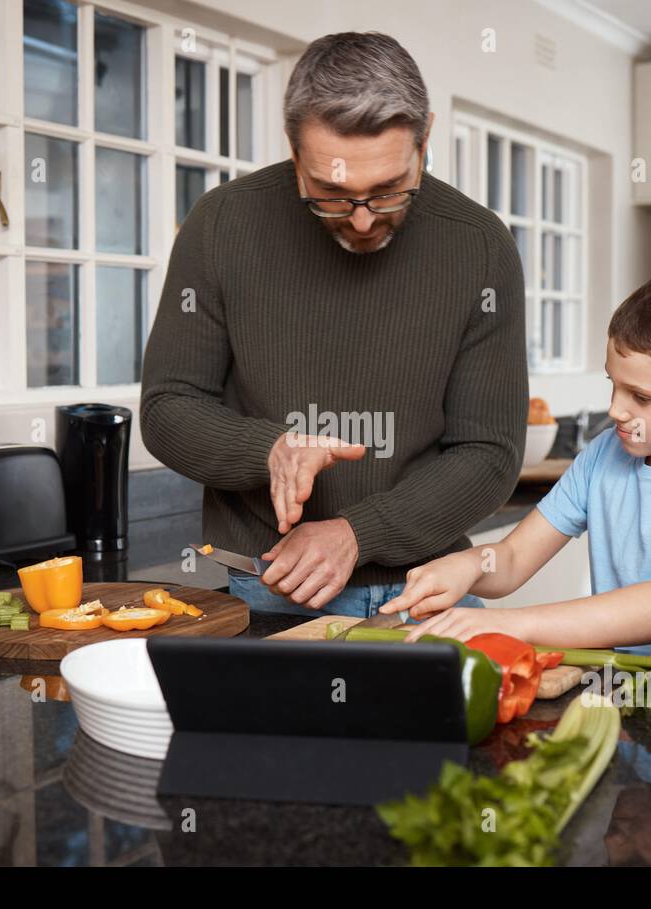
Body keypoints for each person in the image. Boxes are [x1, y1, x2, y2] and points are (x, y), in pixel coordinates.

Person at [140, 32, 527, 615]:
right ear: (294, 154)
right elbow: (167, 407)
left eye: (390, 191)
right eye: (332, 193)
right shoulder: (222, 225)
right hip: (271, 588)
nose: (365, 221)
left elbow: (488, 451)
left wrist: (357, 533)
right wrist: (268, 450)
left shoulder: (480, 247)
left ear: (426, 139)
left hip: (429, 589)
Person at [387, 259, 651, 668]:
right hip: (626, 689)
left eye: (642, 397)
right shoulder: (604, 454)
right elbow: (511, 560)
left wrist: (516, 625)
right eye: (613, 385)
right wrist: (468, 566)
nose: (614, 409)